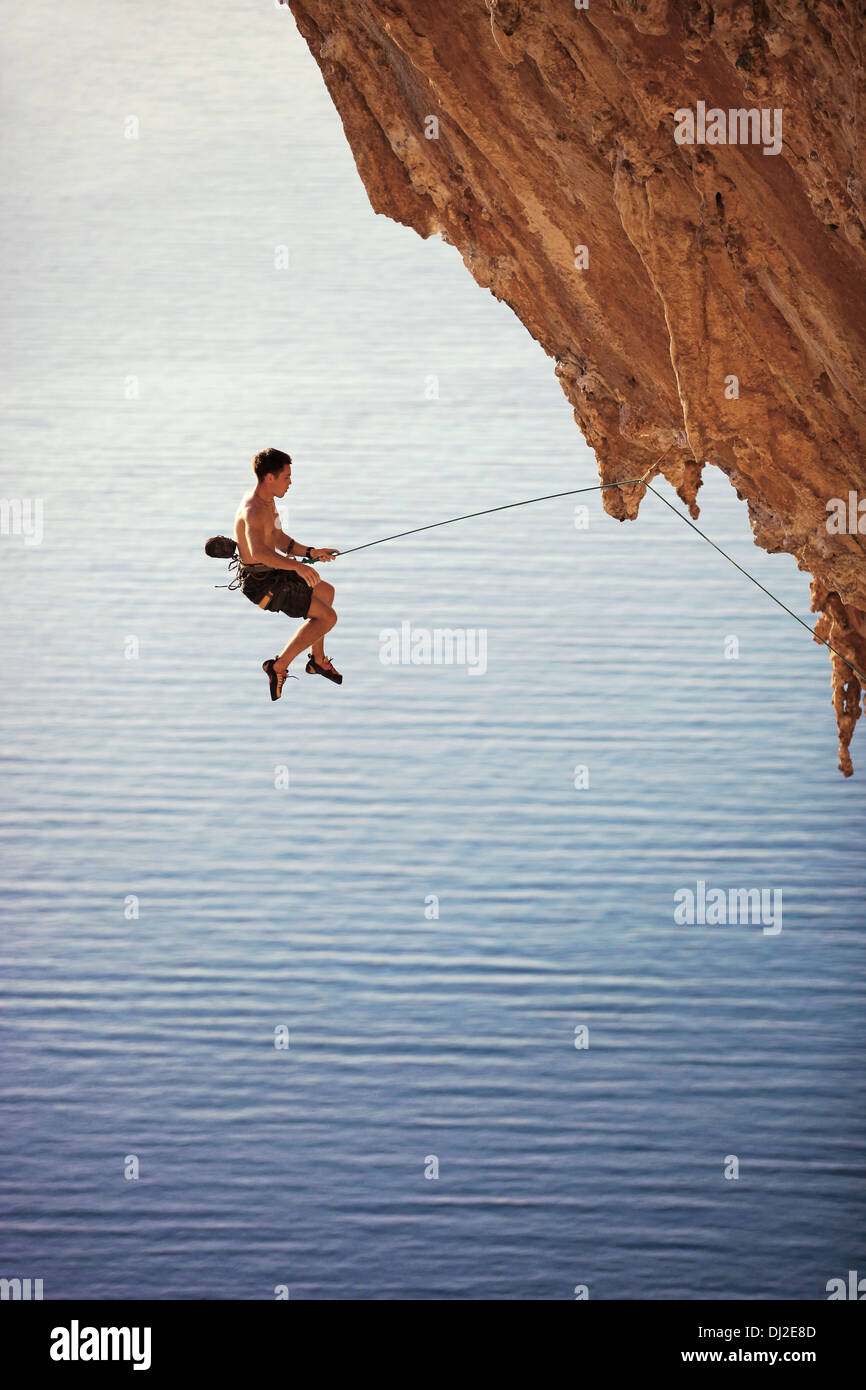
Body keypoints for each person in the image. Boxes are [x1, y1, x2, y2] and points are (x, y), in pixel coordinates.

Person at [233, 447, 341, 700]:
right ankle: (278, 666)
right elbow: (258, 551)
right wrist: (298, 566)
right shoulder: (254, 509)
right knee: (328, 618)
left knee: (326, 591)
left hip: (273, 573)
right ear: (269, 478)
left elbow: (278, 538)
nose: (290, 482)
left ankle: (317, 660)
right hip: (263, 585)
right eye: (286, 477)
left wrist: (311, 552)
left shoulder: (268, 502)